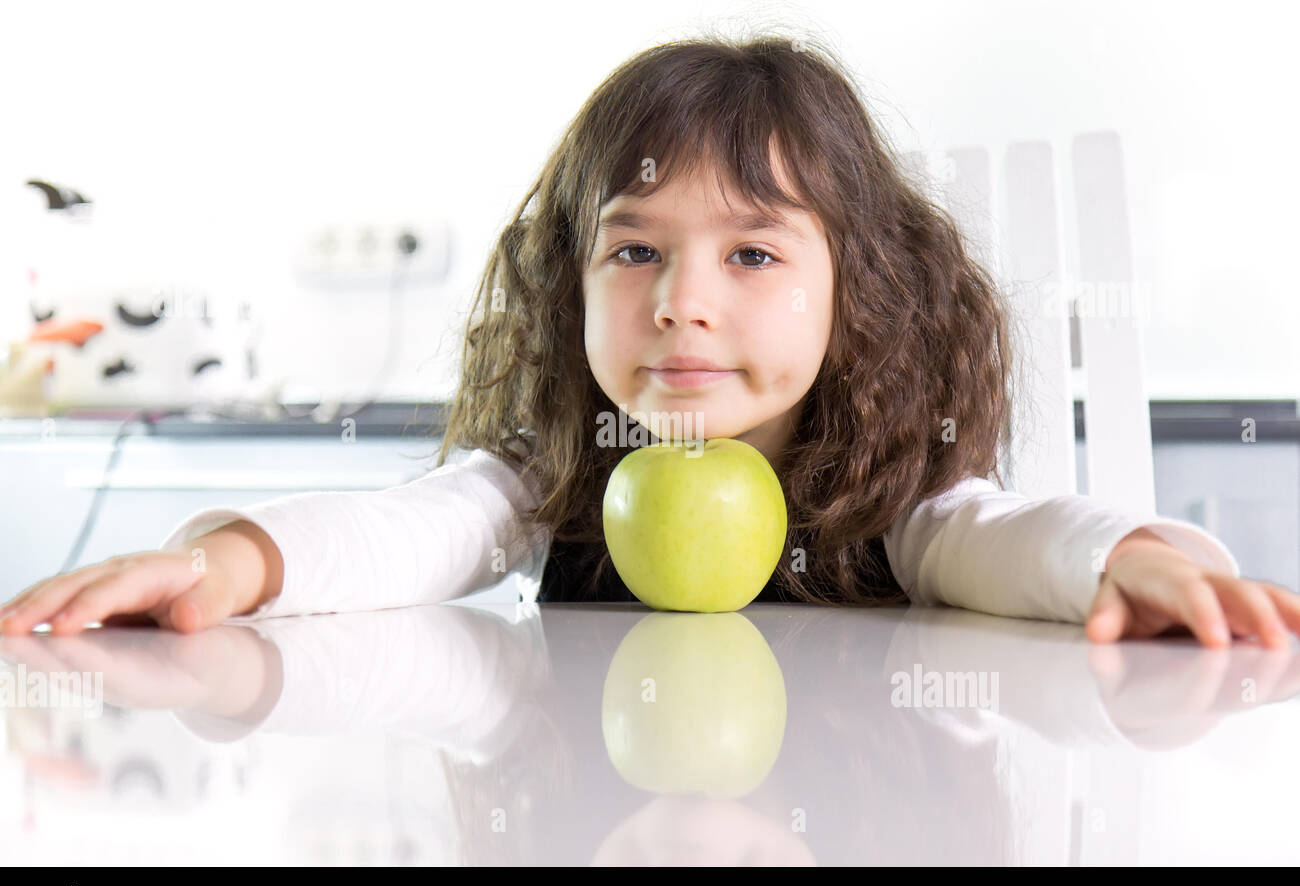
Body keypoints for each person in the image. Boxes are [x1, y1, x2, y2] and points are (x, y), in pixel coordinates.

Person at [3, 33, 1298, 649]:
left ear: (858, 289)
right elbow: (419, 524)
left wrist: (1123, 552)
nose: (682, 300)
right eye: (634, 251)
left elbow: (989, 531)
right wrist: (225, 563)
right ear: (572, 282)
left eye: (751, 253)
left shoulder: (883, 490)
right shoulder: (566, 467)